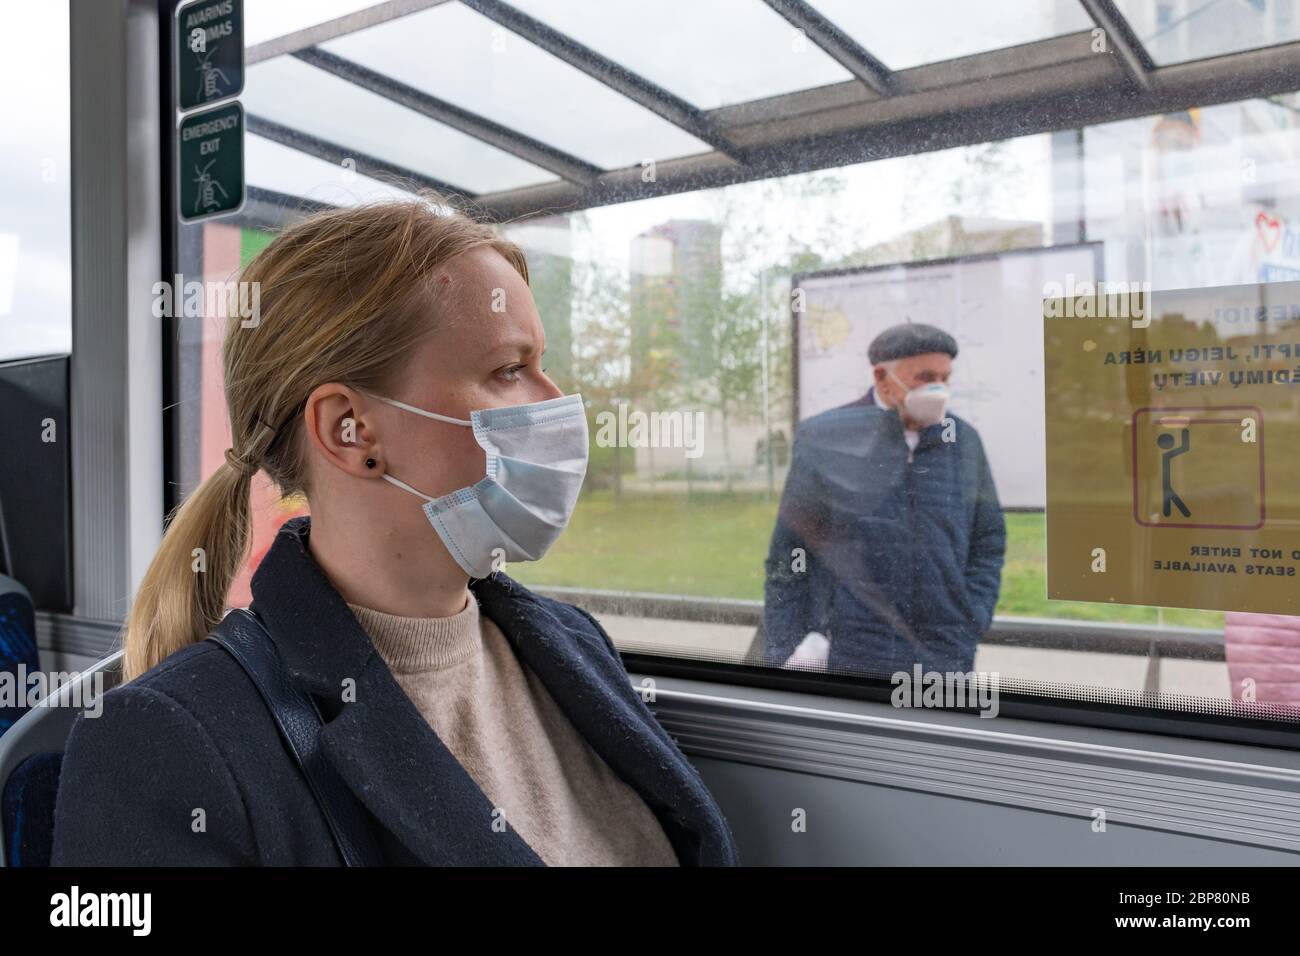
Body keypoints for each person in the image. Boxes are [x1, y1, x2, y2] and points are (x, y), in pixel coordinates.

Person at [50, 196, 738, 867]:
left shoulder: (572, 643)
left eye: (540, 363)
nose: (558, 403)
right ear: (350, 432)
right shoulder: (168, 743)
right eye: (507, 370)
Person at [763, 322, 1006, 676]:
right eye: (924, 376)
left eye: (945, 377)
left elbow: (988, 540)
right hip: (851, 652)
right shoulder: (826, 438)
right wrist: (788, 646)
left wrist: (972, 617)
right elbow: (789, 553)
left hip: (945, 652)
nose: (938, 388)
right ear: (881, 377)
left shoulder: (963, 441)